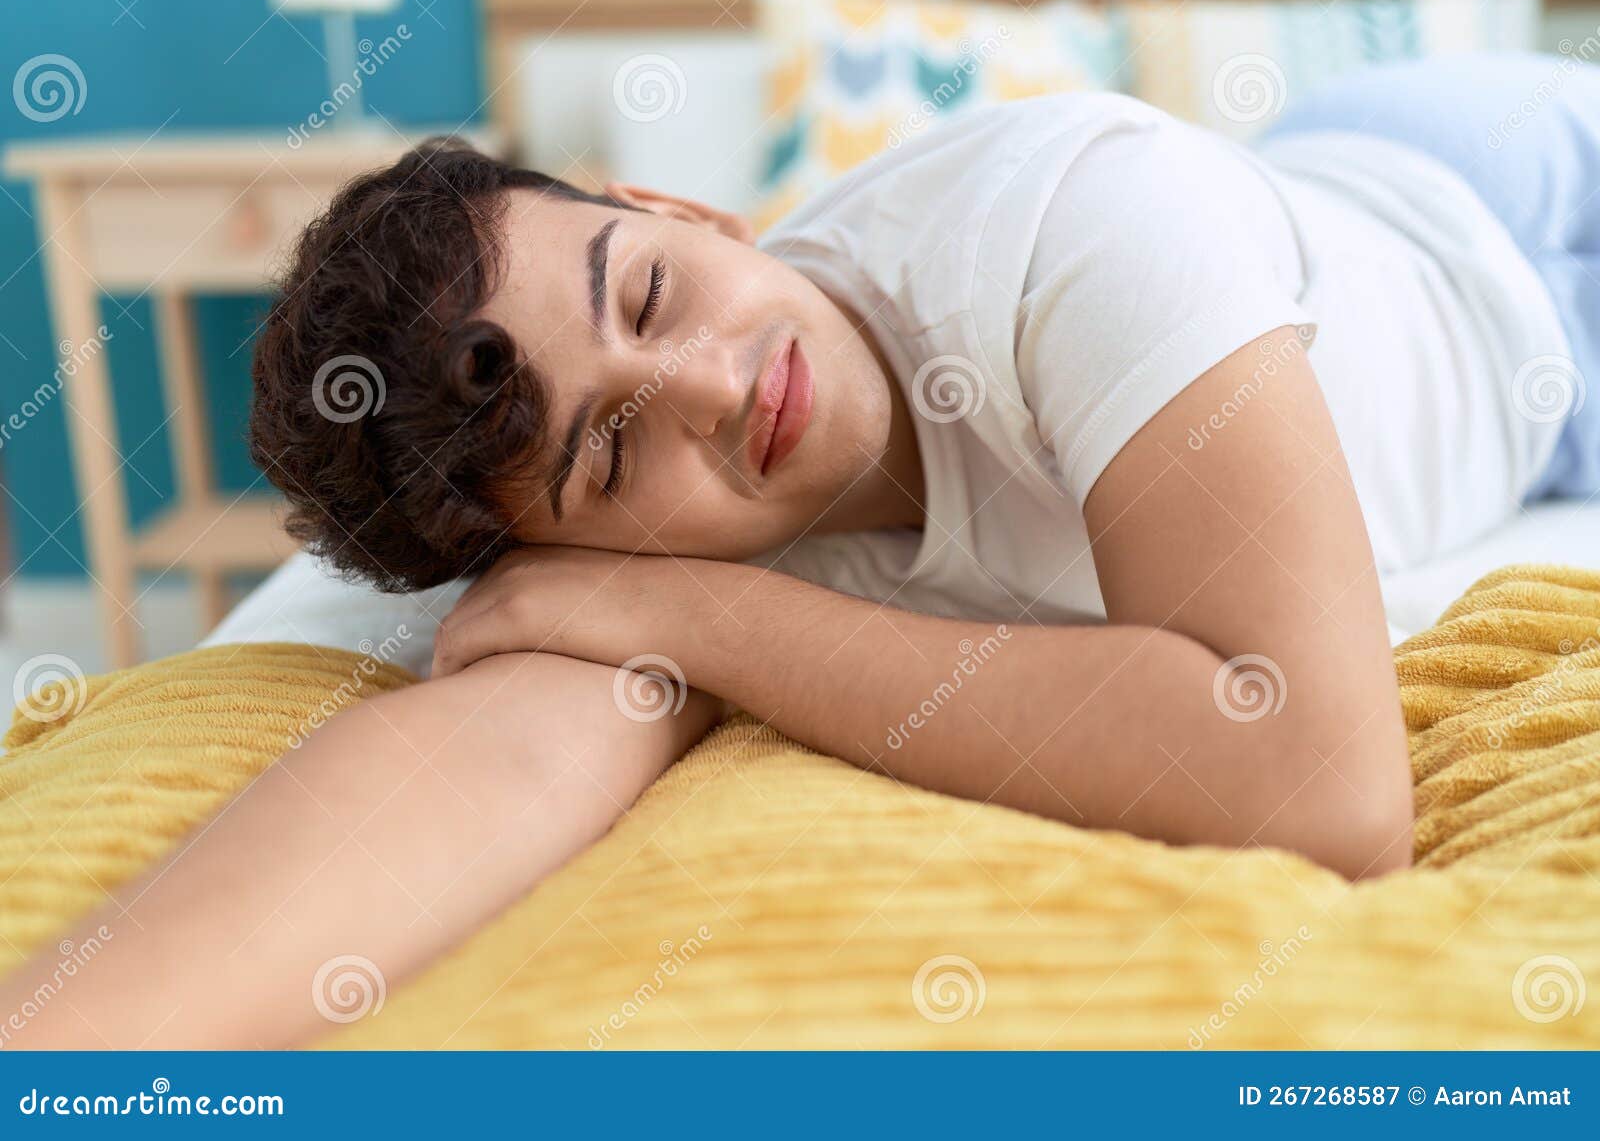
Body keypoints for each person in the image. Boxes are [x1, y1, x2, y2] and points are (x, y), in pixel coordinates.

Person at [6, 54, 1595, 1048]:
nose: (713, 388)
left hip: (1515, 225)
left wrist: (679, 605)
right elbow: (453, 776)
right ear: (538, 545)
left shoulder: (1081, 218)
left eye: (643, 293)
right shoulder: (621, 568)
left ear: (686, 205)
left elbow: (1324, 787)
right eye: (609, 454)